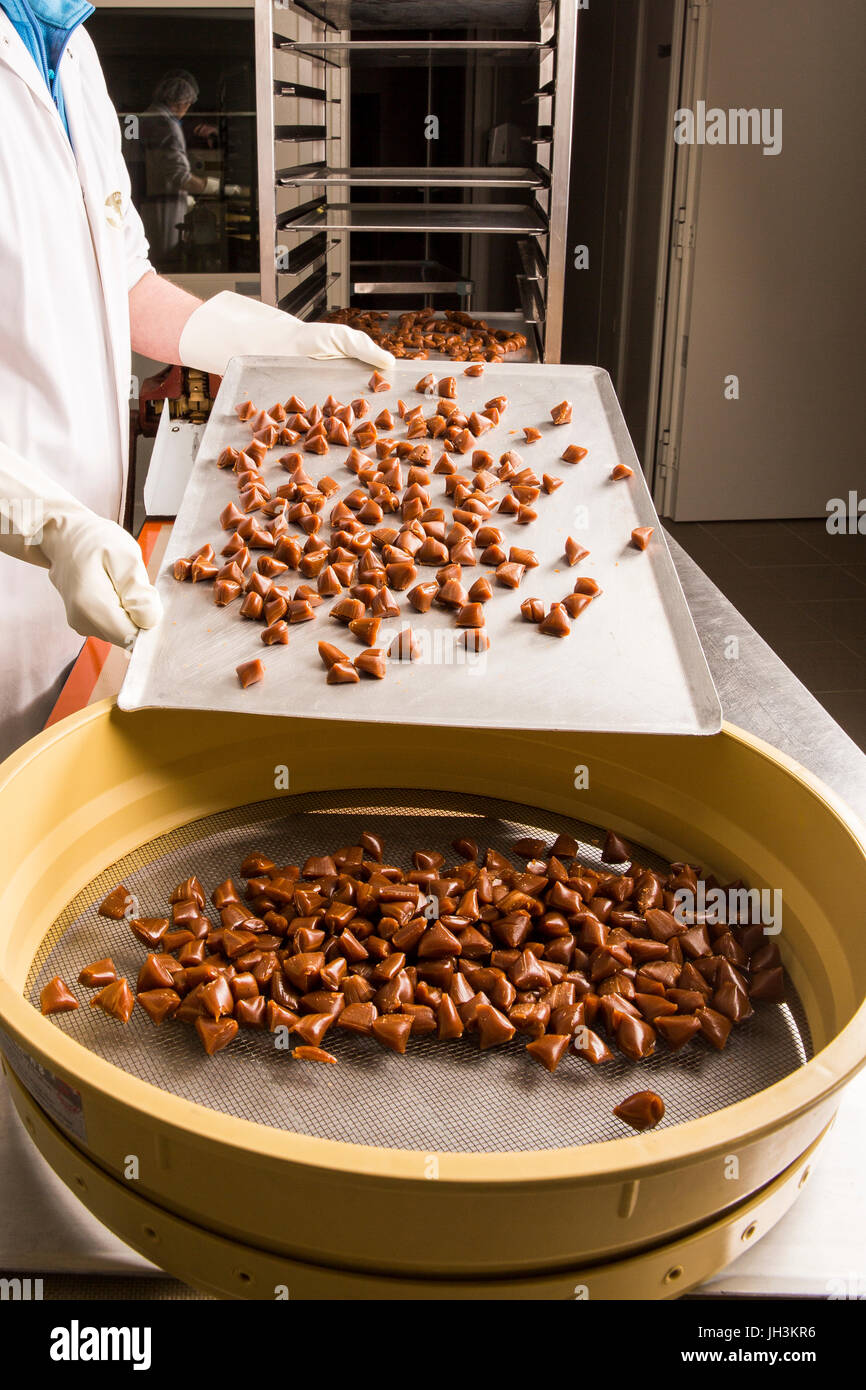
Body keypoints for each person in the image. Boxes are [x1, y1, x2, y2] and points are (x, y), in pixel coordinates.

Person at [0, 1, 393, 762]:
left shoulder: (73, 55)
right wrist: (46, 525)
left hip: (80, 577)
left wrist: (277, 342)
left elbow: (126, 281)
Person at [139, 69, 221, 264]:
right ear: (180, 102)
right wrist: (217, 188)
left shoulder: (149, 116)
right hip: (165, 206)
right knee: (165, 259)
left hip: (153, 202)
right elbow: (180, 177)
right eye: (188, 105)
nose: (187, 109)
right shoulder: (166, 124)